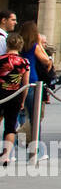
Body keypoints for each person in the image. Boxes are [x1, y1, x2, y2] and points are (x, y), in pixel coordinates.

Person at [0, 33, 29, 166]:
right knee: (10, 126)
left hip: (0, 93)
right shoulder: (24, 62)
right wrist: (22, 100)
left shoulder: (1, 59)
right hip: (15, 95)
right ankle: (6, 156)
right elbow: (26, 83)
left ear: (7, 44)